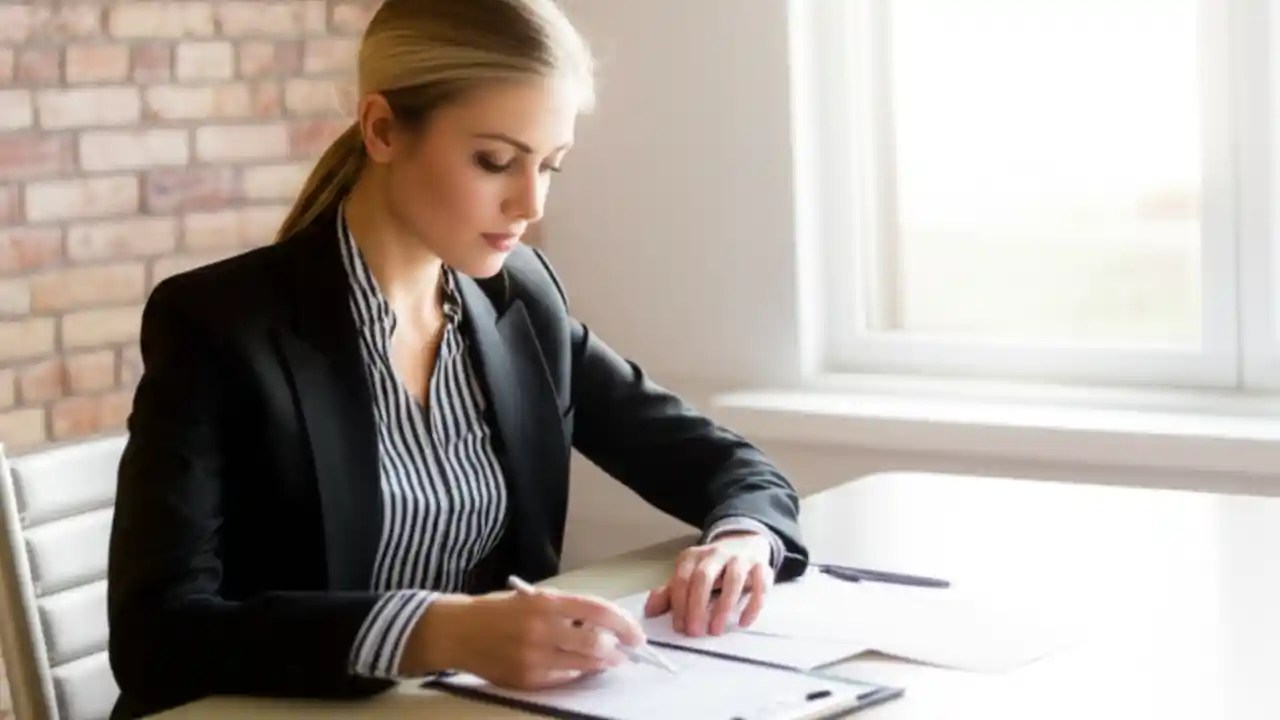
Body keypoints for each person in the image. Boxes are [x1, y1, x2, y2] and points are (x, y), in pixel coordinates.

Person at [106, 0, 808, 717]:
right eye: (495, 161)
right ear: (382, 130)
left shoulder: (520, 300)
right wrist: (436, 631)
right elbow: (157, 635)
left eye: (550, 166)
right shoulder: (220, 325)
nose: (530, 202)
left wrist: (743, 540)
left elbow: (727, 466)